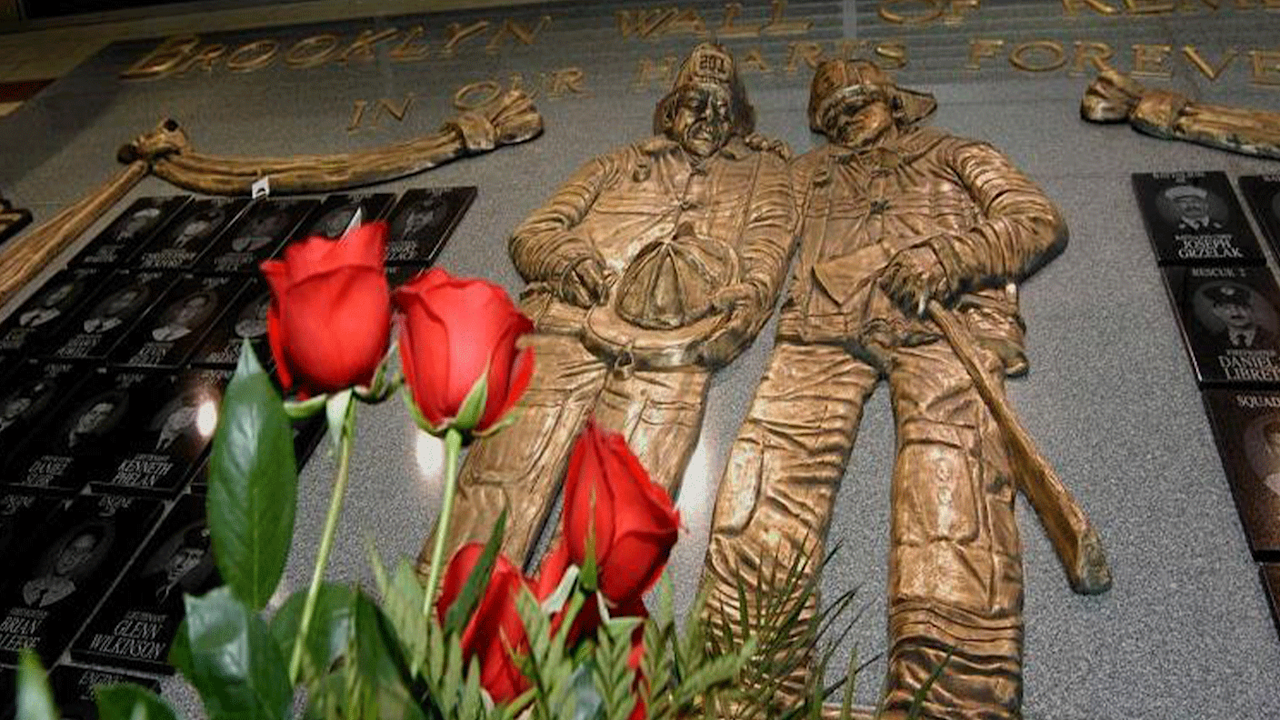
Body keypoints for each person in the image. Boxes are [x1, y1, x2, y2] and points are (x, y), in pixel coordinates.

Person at [699, 59, 1068, 720]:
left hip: (944, 323)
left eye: (859, 102)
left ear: (894, 103)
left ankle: (953, 692)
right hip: (821, 325)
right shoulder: (804, 175)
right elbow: (761, 233)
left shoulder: (958, 153)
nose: (846, 117)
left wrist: (949, 256)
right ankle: (745, 682)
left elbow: (1034, 218)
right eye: (832, 112)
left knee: (949, 478)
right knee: (769, 476)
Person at [422, 42, 795, 567]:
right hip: (566, 327)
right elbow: (533, 232)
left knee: (616, 520)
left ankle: (578, 621)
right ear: (671, 111)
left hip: (673, 353)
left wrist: (742, 307)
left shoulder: (765, 175)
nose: (709, 118)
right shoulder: (618, 163)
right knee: (498, 481)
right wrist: (569, 263)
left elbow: (766, 253)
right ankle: (448, 607)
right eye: (696, 103)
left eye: (722, 108)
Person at [22, 526, 106, 608]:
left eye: (81, 552)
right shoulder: (29, 586)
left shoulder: (72, 594)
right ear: (61, 550)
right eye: (72, 548)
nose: (72, 556)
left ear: (85, 559)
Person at [150, 525, 212, 603]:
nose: (183, 564)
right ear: (175, 552)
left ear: (197, 563)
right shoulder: (146, 583)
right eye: (183, 554)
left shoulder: (183, 600)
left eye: (193, 558)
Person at [1205, 283, 1274, 351]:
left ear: (1253, 309)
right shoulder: (1211, 343)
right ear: (1216, 311)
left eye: (1242, 306)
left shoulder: (1272, 339)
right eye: (1227, 307)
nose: (1235, 313)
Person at [151, 292, 215, 342]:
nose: (189, 311)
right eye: (189, 306)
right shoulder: (158, 330)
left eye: (196, 308)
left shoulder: (189, 336)